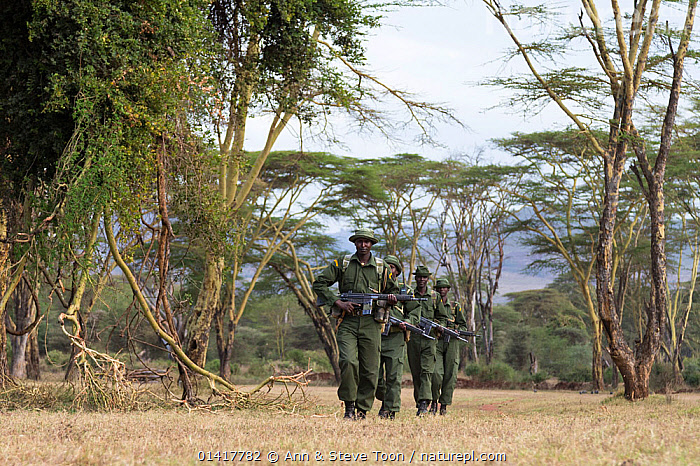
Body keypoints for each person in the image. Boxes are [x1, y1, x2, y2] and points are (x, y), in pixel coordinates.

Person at [312, 228, 398, 420]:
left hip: (371, 323)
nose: (363, 245)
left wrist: (392, 299)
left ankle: (362, 409)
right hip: (348, 322)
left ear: (372, 244)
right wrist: (338, 302)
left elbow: (394, 291)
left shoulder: (382, 268)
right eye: (360, 241)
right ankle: (349, 407)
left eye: (367, 242)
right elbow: (319, 284)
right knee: (348, 362)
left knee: (371, 370)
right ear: (354, 243)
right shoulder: (342, 264)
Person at [375, 255, 419, 420]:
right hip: (375, 336)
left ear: (397, 271)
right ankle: (385, 400)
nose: (389, 271)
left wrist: (407, 322)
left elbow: (415, 310)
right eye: (386, 268)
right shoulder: (376, 287)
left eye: (392, 268)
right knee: (374, 376)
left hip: (395, 337)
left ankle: (390, 409)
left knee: (393, 375)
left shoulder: (405, 290)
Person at [405, 265, 447, 416]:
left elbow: (442, 317)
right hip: (413, 339)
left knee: (427, 371)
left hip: (430, 339)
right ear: (415, 278)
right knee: (416, 372)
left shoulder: (435, 297)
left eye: (424, 277)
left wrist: (440, 326)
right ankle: (419, 402)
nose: (421, 280)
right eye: (419, 277)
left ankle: (424, 402)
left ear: (428, 279)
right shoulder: (410, 294)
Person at [430, 278, 467, 415]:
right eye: (439, 288)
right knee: (436, 374)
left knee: (450, 374)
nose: (441, 290)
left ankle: (444, 405)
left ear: (448, 290)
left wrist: (456, 329)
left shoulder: (455, 306)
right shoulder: (433, 305)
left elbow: (463, 324)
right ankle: (433, 402)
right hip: (437, 342)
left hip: (451, 342)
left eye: (444, 288)